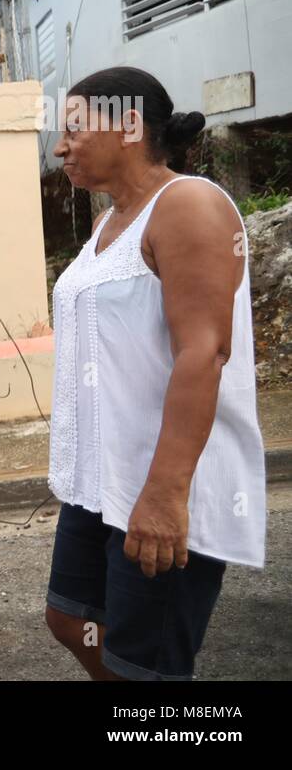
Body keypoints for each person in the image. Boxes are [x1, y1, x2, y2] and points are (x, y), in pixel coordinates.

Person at [46, 66, 265, 681]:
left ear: (129, 126)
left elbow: (204, 351)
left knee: (144, 664)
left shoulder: (188, 204)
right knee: (70, 619)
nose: (60, 146)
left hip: (164, 481)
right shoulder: (106, 225)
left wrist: (166, 495)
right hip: (101, 480)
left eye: (74, 130)